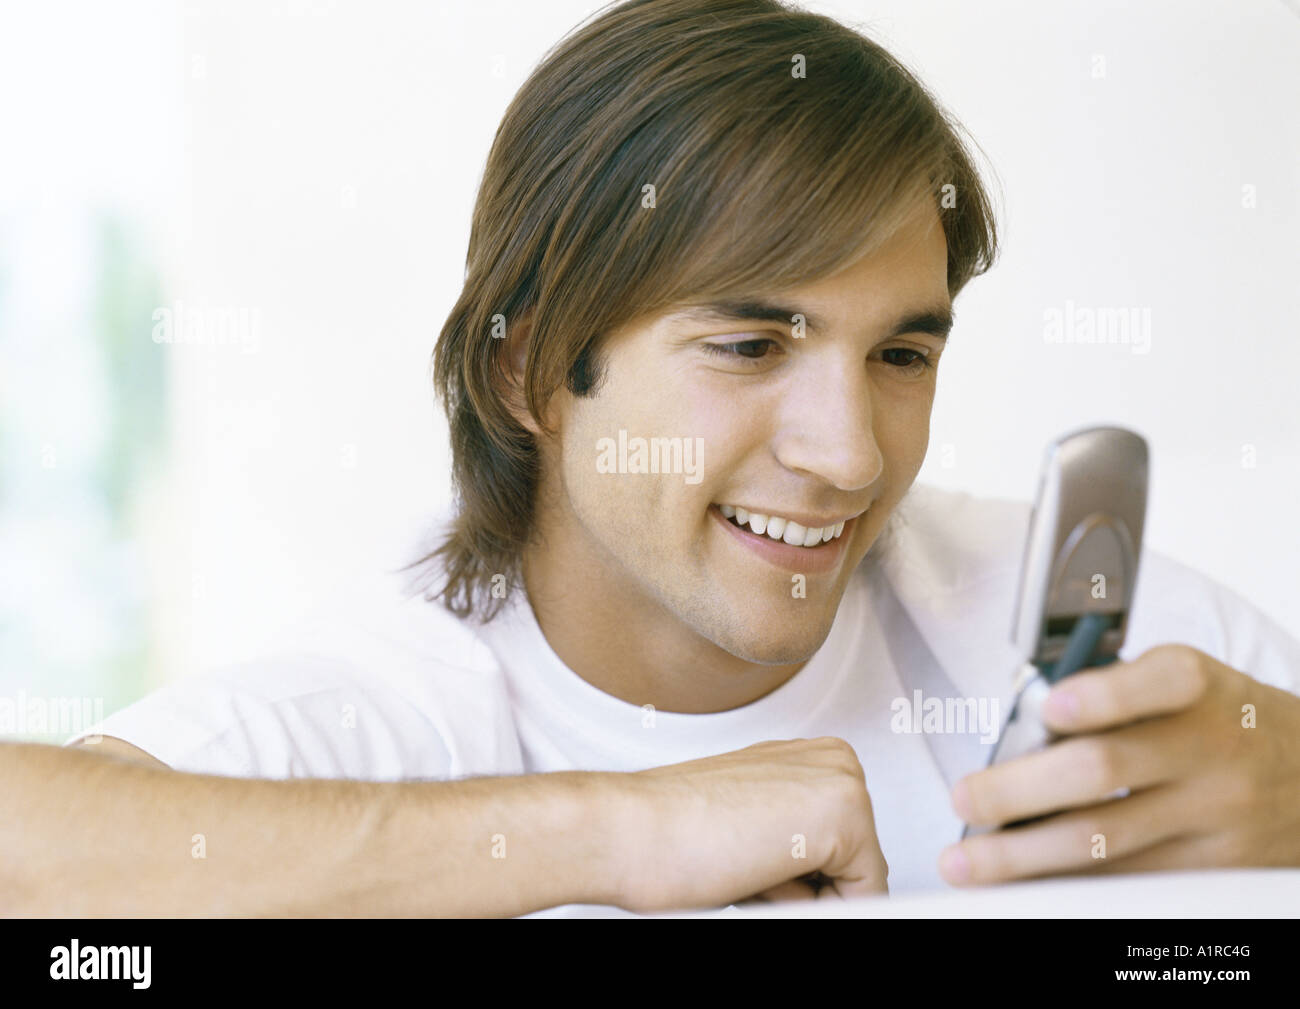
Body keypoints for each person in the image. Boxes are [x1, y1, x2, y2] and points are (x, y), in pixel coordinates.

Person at [10, 0, 1299, 917]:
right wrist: (613, 831)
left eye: (901, 355)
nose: (849, 456)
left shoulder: (1098, 649)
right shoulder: (368, 720)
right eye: (748, 346)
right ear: (528, 374)